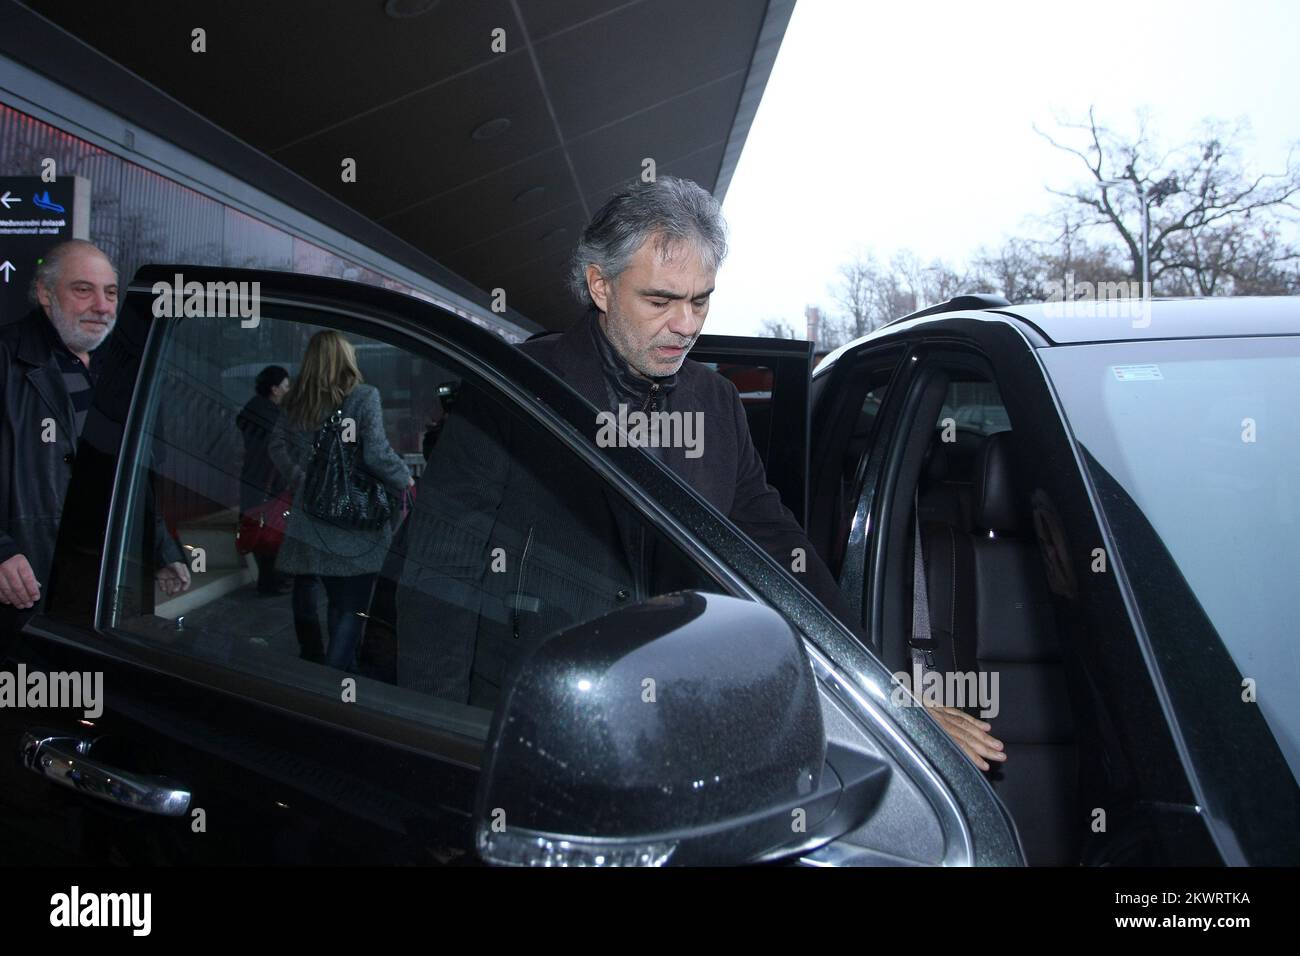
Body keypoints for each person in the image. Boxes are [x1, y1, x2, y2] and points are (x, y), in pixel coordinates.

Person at [399, 177, 1005, 772]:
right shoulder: (516, 388)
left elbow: (782, 555)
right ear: (600, 286)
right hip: (531, 722)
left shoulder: (716, 403)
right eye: (660, 301)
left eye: (701, 299)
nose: (687, 324)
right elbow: (440, 569)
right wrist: (438, 753)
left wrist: (882, 689)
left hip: (674, 725)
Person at [0, 239, 190, 620]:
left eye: (110, 292)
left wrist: (160, 548)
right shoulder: (6, 360)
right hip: (28, 588)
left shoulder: (130, 371)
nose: (102, 307)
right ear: (44, 292)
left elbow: (135, 473)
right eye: (83, 290)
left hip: (107, 581)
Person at [269, 330, 412, 669]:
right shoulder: (363, 397)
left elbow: (276, 445)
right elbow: (376, 454)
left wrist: (300, 478)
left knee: (323, 595)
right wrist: (405, 476)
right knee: (349, 606)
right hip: (353, 518)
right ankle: (335, 681)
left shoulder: (296, 402)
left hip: (311, 512)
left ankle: (322, 664)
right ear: (346, 359)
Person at [237, 364, 291, 595]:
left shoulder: (254, 410)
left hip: (255, 478)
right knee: (269, 528)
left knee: (263, 527)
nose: (289, 391)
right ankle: (270, 582)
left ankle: (270, 580)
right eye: (286, 386)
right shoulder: (270, 416)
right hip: (267, 481)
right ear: (275, 389)